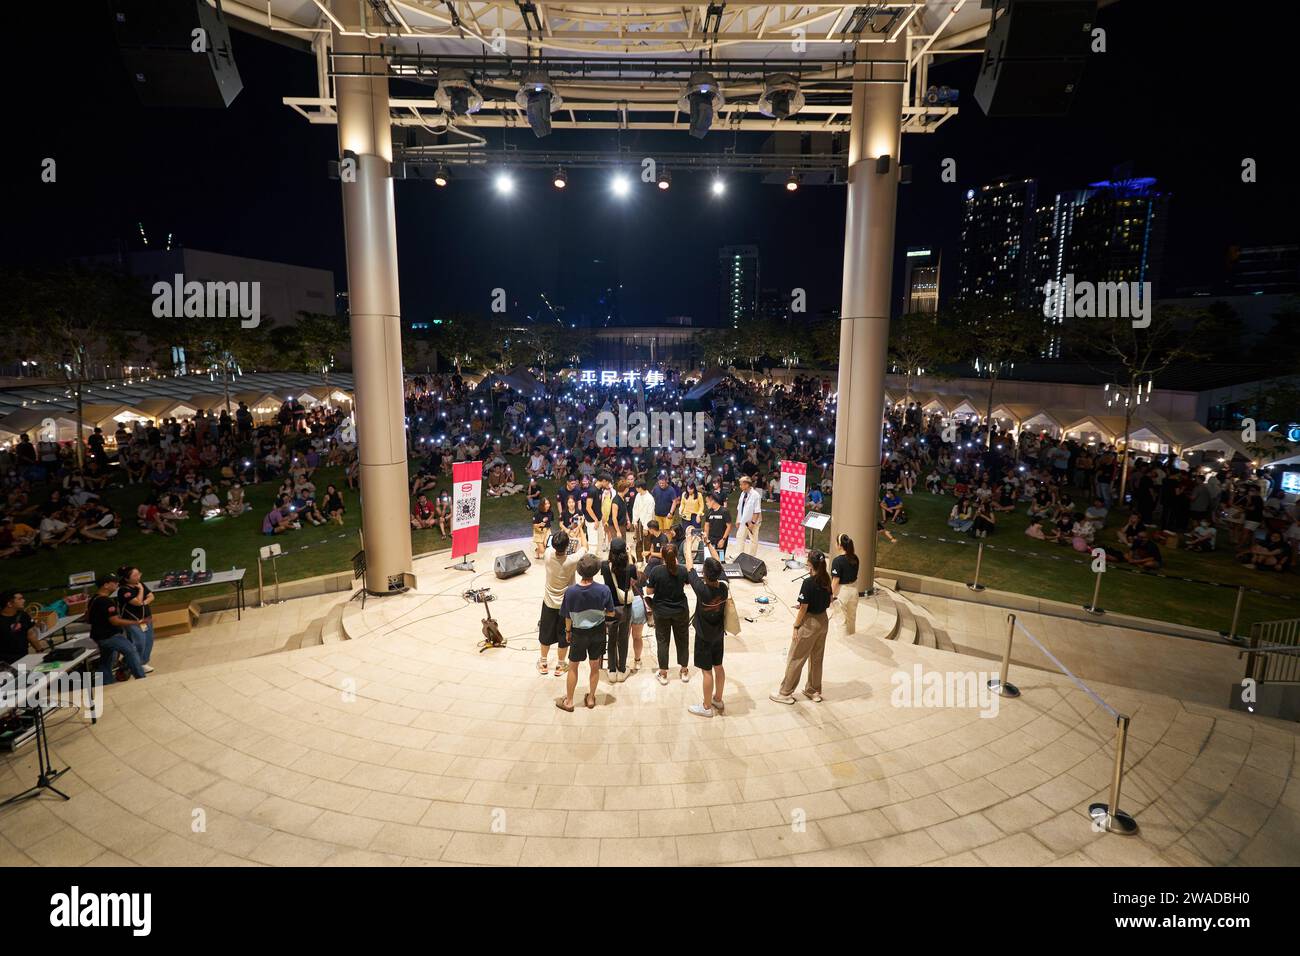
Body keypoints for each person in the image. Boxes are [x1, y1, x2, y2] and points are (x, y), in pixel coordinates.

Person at [771, 550, 832, 705]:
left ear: (811, 564)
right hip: (823, 621)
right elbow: (829, 600)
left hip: (809, 623)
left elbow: (804, 608)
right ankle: (813, 690)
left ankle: (785, 693)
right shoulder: (826, 579)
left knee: (796, 657)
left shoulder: (808, 583)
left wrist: (796, 626)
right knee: (817, 658)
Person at [555, 554, 615, 712]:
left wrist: (568, 631)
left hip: (578, 633)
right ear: (596, 571)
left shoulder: (571, 592)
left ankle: (569, 701)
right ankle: (590, 698)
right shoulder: (604, 590)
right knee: (594, 666)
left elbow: (567, 616)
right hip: (597, 633)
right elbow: (611, 613)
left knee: (573, 666)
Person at [682, 529, 728, 718]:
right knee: (719, 666)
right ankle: (718, 698)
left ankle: (707, 706)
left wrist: (687, 540)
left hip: (703, 635)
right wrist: (708, 543)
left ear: (705, 574)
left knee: (706, 671)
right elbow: (718, 563)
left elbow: (689, 565)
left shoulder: (701, 589)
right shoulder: (724, 586)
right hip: (718, 634)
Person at [539, 528, 586, 676]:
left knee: (545, 633)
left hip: (549, 602)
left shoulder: (547, 555)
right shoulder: (571, 560)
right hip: (566, 606)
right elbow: (585, 547)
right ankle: (560, 666)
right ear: (567, 546)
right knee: (564, 635)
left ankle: (543, 663)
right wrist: (581, 531)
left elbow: (544, 545)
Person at [87, 574, 147, 684]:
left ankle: (106, 682)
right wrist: (136, 622)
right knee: (131, 651)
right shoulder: (105, 601)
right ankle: (141, 679)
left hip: (98, 636)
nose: (117, 584)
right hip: (110, 636)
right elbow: (115, 621)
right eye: (114, 582)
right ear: (105, 585)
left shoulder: (94, 598)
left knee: (106, 660)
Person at [644, 542, 691, 685]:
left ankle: (663, 673)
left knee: (663, 641)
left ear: (662, 556)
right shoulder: (682, 570)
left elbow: (649, 591)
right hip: (680, 611)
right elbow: (687, 583)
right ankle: (684, 671)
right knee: (682, 640)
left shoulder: (656, 571)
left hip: (661, 611)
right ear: (677, 555)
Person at [600, 537, 638, 683]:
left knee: (612, 639)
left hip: (609, 607)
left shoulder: (604, 566)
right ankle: (622, 669)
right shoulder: (631, 568)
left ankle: (611, 670)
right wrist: (630, 555)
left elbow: (607, 569)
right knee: (623, 639)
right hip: (625, 607)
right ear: (624, 552)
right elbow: (635, 577)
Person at [115, 566, 156, 674]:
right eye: (135, 575)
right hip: (134, 621)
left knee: (149, 640)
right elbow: (137, 601)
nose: (139, 576)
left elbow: (151, 596)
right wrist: (141, 590)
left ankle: (143, 662)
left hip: (146, 618)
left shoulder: (140, 583)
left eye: (139, 574)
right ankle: (135, 663)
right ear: (127, 579)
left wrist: (144, 602)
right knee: (139, 642)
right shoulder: (124, 590)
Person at [0, 590, 46, 665]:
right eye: (20, 599)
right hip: (4, 663)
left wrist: (40, 650)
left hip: (23, 658)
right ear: (9, 604)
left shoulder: (23, 615)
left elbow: (31, 635)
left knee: (25, 676)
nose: (24, 600)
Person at [830, 534, 860, 636]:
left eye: (836, 542)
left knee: (841, 621)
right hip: (854, 590)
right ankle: (852, 638)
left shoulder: (837, 561)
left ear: (840, 545)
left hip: (842, 592)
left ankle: (844, 645)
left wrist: (829, 595)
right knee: (852, 619)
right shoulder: (855, 558)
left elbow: (835, 581)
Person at [734, 475, 762, 556]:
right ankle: (738, 555)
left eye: (741, 484)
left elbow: (757, 511)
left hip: (753, 522)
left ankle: (752, 557)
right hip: (743, 521)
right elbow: (739, 508)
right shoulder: (742, 494)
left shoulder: (755, 495)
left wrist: (752, 523)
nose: (740, 486)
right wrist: (737, 520)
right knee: (739, 537)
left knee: (753, 540)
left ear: (746, 484)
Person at [703, 492, 732, 563]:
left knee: (721, 559)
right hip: (711, 540)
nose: (706, 504)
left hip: (721, 539)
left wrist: (723, 539)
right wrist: (706, 538)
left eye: (707, 502)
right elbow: (706, 525)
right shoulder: (709, 512)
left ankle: (722, 570)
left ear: (712, 501)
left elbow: (729, 526)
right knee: (710, 559)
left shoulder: (724, 511)